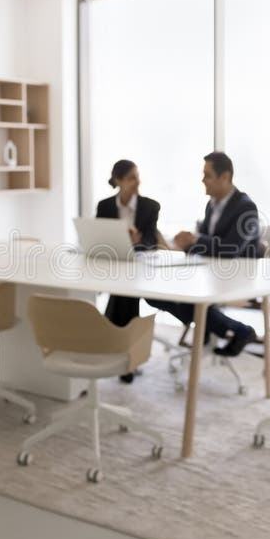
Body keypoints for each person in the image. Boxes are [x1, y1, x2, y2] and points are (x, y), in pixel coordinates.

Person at [147, 151, 261, 357]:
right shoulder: (212, 205)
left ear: (225, 177)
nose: (202, 180)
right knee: (153, 295)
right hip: (209, 273)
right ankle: (234, 328)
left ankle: (216, 325)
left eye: (207, 175)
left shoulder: (247, 208)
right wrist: (185, 244)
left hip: (236, 276)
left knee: (183, 299)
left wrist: (196, 239)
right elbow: (207, 246)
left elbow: (231, 248)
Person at [96, 159, 161, 383]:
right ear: (118, 181)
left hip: (140, 264)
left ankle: (113, 344)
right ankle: (125, 355)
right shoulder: (104, 206)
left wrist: (137, 240)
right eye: (132, 177)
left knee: (125, 292)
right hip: (112, 264)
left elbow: (152, 241)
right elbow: (99, 237)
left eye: (137, 176)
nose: (137, 182)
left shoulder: (151, 206)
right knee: (123, 291)